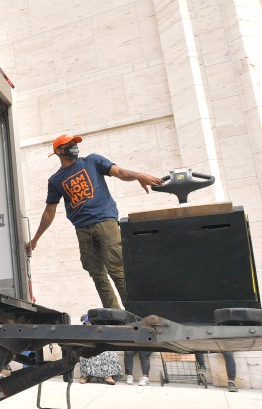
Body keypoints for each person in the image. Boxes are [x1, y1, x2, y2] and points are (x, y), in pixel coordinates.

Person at [26, 134, 163, 309]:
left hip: (105, 222)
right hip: (82, 229)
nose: (74, 146)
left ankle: (137, 314)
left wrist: (138, 175)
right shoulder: (55, 180)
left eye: (75, 143)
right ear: (58, 151)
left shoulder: (93, 161)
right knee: (97, 274)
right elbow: (49, 211)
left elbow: (120, 172)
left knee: (118, 271)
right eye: (69, 144)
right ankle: (117, 317)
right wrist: (35, 239)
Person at [77, 314, 121, 384]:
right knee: (84, 355)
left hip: (102, 348)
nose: (87, 324)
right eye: (85, 322)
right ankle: (86, 376)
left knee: (111, 354)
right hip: (89, 349)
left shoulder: (99, 327)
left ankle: (108, 376)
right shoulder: (83, 330)